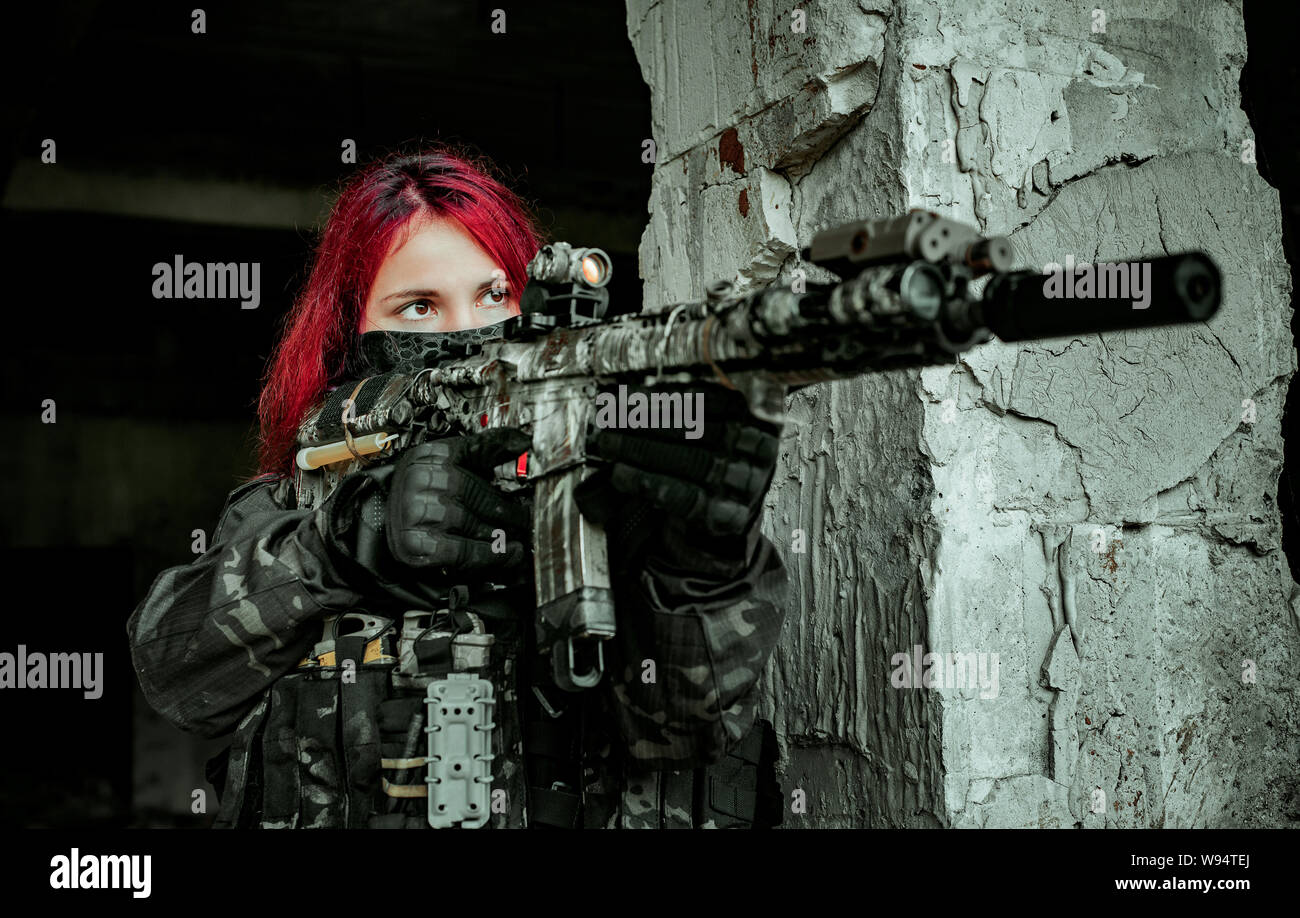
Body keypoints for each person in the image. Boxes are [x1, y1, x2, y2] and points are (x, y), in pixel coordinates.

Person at [126, 145, 789, 828]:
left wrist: (701, 559)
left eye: (494, 294)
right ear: (351, 334)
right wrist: (347, 540)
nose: (469, 332)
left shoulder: (604, 498)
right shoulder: (299, 504)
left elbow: (684, 725)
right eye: (418, 306)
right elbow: (174, 668)